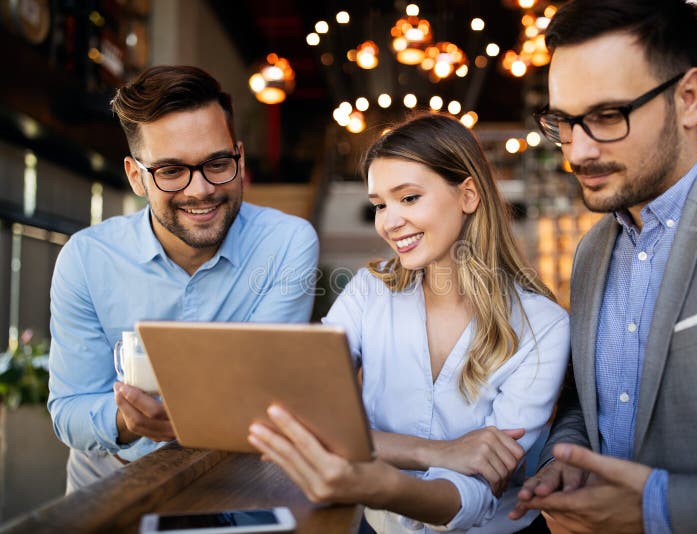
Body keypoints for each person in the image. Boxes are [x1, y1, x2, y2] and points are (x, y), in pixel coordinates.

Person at [508, 1, 697, 532]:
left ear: (689, 99)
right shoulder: (594, 249)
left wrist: (657, 509)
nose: (578, 150)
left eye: (605, 117)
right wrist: (562, 462)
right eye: (563, 121)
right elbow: (588, 403)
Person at [248, 113, 570, 533]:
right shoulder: (368, 291)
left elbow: (481, 486)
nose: (389, 221)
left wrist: (378, 469)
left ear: (468, 195)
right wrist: (433, 451)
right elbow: (301, 414)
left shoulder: (542, 325)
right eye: (379, 204)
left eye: (409, 198)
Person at [48, 65, 319, 492]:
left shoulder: (286, 244)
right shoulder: (85, 259)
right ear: (136, 176)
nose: (200, 191)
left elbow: (263, 392)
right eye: (171, 171)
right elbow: (69, 411)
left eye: (217, 163)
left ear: (240, 158)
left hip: (237, 478)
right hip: (110, 478)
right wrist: (126, 421)